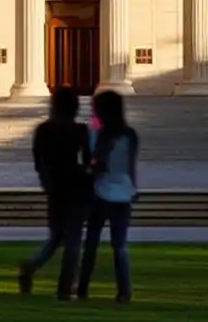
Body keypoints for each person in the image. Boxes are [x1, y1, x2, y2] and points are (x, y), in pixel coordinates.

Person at [18, 86, 92, 300]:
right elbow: (87, 160)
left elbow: (37, 161)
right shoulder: (80, 130)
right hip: (76, 187)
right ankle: (65, 287)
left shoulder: (43, 130)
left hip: (55, 188)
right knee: (72, 240)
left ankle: (31, 267)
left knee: (58, 235)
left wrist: (46, 181)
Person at [77, 90, 139, 304]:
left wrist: (89, 171)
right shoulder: (130, 134)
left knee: (91, 243)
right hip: (124, 193)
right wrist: (134, 187)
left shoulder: (102, 135)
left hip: (102, 193)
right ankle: (124, 290)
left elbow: (98, 164)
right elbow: (131, 165)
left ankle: (82, 288)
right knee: (119, 245)